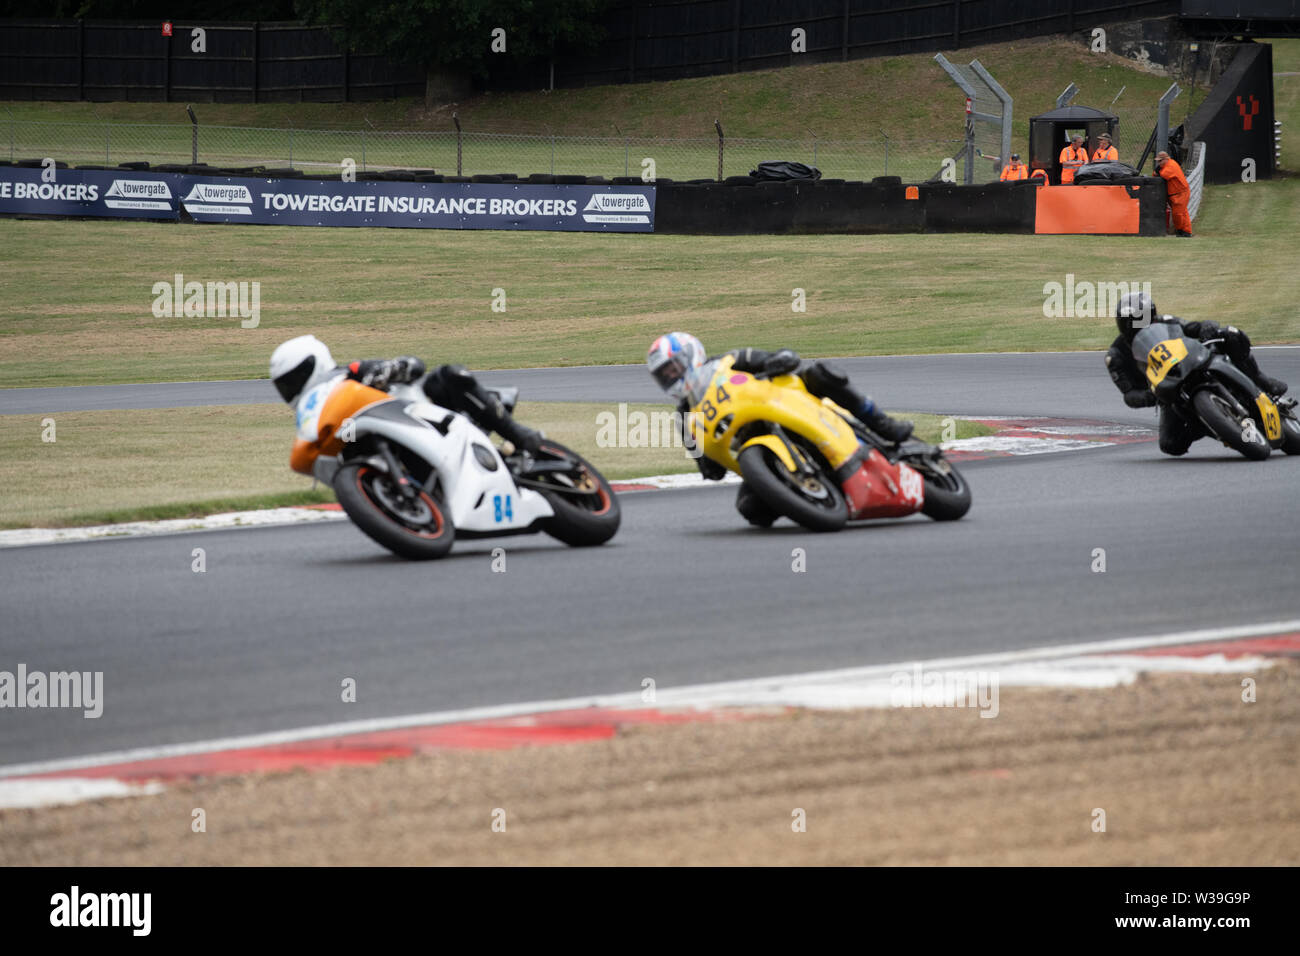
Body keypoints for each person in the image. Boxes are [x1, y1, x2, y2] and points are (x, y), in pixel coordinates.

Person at [646, 332, 914, 505]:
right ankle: (808, 497)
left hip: (784, 407)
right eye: (664, 376)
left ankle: (882, 424)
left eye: (674, 368)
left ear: (692, 354)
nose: (671, 377)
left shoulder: (729, 361)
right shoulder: (684, 418)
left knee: (821, 374)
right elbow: (709, 470)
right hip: (758, 451)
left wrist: (779, 361)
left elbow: (782, 357)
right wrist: (708, 460)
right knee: (749, 508)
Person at [269, 334, 542, 452]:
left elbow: (415, 365)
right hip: (389, 440)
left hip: (420, 416)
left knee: (449, 375)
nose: (291, 389)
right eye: (285, 385)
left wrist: (390, 370)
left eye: (294, 380)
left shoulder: (350, 372)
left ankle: (518, 434)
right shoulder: (313, 412)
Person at [1104, 293, 1287, 456]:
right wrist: (1149, 396)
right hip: (1168, 390)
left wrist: (1205, 327)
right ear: (1123, 324)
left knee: (1229, 334)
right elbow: (1129, 394)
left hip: (1194, 361)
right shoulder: (1116, 356)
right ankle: (1210, 423)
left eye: (1146, 317)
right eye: (1135, 321)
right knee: (1171, 444)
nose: (1142, 324)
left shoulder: (1165, 322)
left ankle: (1260, 379)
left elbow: (1191, 327)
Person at [1155, 150, 1192, 237]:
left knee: (1177, 213)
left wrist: (1158, 171)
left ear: (1166, 159)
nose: (1159, 163)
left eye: (1160, 161)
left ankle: (1181, 231)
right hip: (1176, 193)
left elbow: (1164, 174)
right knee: (1182, 213)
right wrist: (1158, 171)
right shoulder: (1167, 165)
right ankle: (1186, 232)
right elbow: (1156, 174)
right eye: (1158, 161)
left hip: (1180, 193)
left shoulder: (1171, 165)